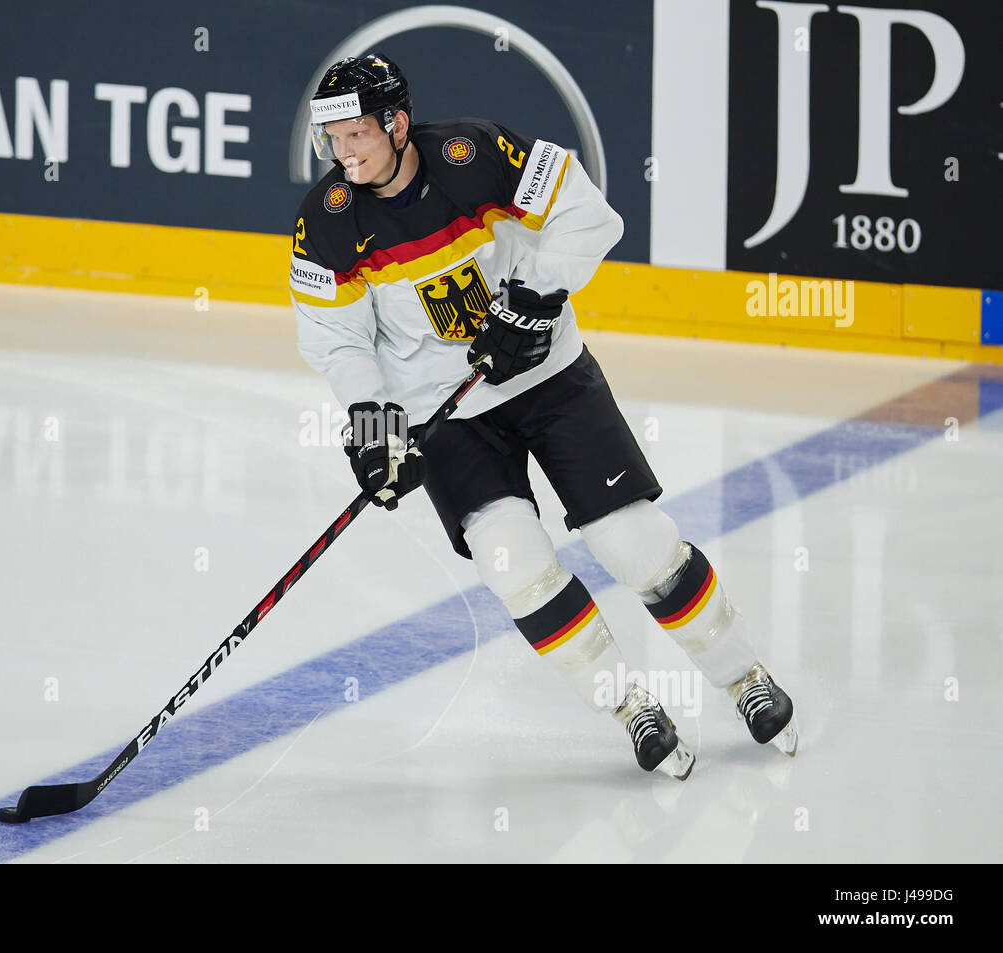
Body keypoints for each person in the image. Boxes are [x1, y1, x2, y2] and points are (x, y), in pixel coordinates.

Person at [289, 53, 797, 779]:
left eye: (358, 135)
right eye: (333, 139)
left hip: (549, 377)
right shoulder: (326, 222)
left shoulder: (474, 153)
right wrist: (375, 426)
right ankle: (629, 705)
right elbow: (338, 339)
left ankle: (744, 676)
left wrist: (533, 297)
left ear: (397, 124)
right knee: (513, 564)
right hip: (446, 414)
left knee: (635, 543)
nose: (344, 154)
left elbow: (587, 214)